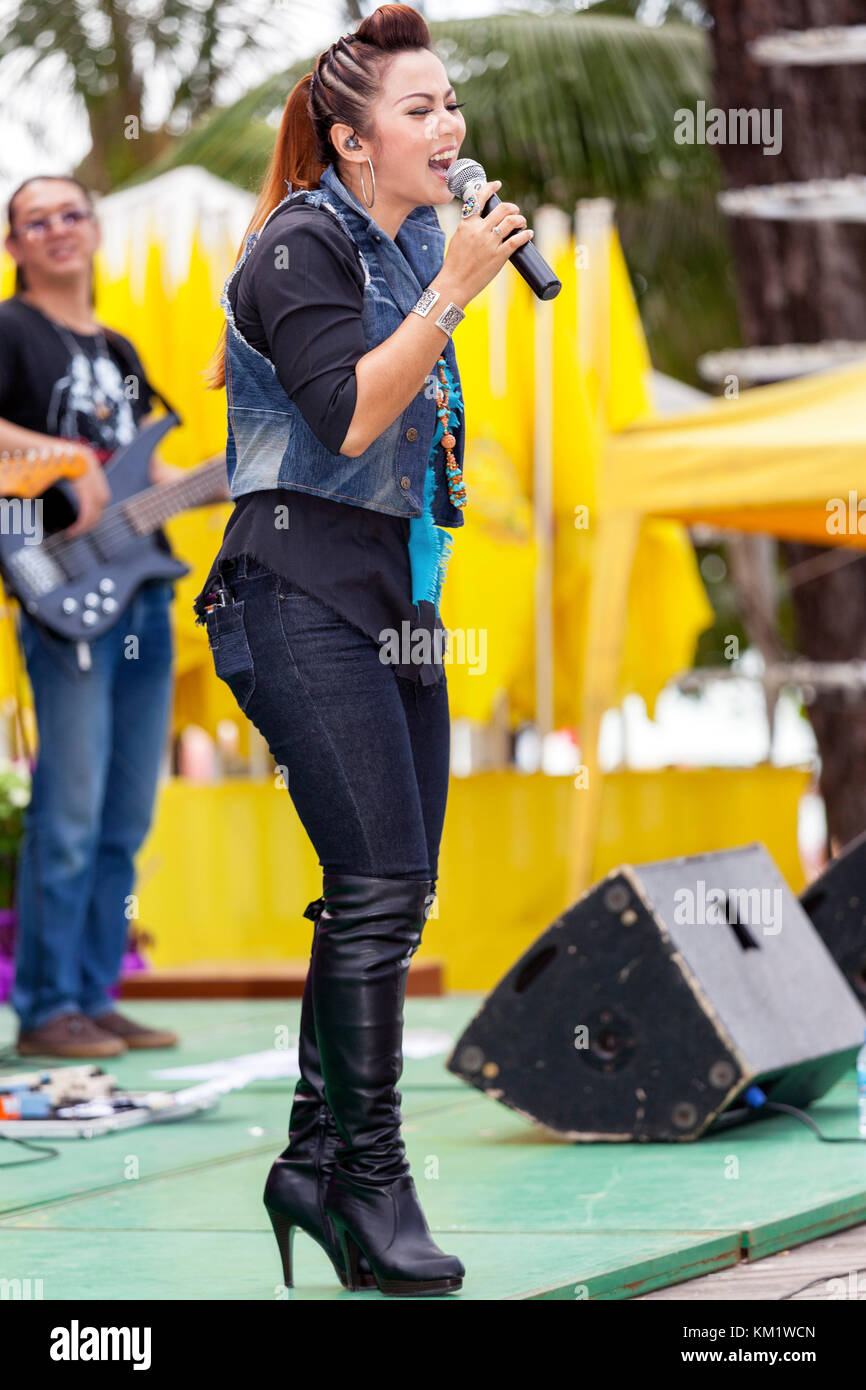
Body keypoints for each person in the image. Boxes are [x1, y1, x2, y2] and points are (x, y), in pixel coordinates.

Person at [195, 3, 532, 1297]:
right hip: (288, 587)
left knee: (386, 895)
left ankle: (310, 1157)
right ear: (348, 140)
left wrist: (440, 279)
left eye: (450, 105)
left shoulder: (404, 248)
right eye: (417, 109)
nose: (446, 127)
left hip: (392, 598)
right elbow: (338, 422)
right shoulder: (299, 245)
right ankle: (371, 1179)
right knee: (379, 882)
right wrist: (455, 288)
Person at [1, 174, 184, 1059]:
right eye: (37, 221)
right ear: (15, 248)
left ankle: (92, 993)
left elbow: (138, 483)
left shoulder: (119, 350)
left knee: (124, 816)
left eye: (72, 214)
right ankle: (44, 1011)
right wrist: (64, 455)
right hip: (60, 588)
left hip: (141, 590)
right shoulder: (9, 331)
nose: (58, 230)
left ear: (95, 229)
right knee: (68, 812)